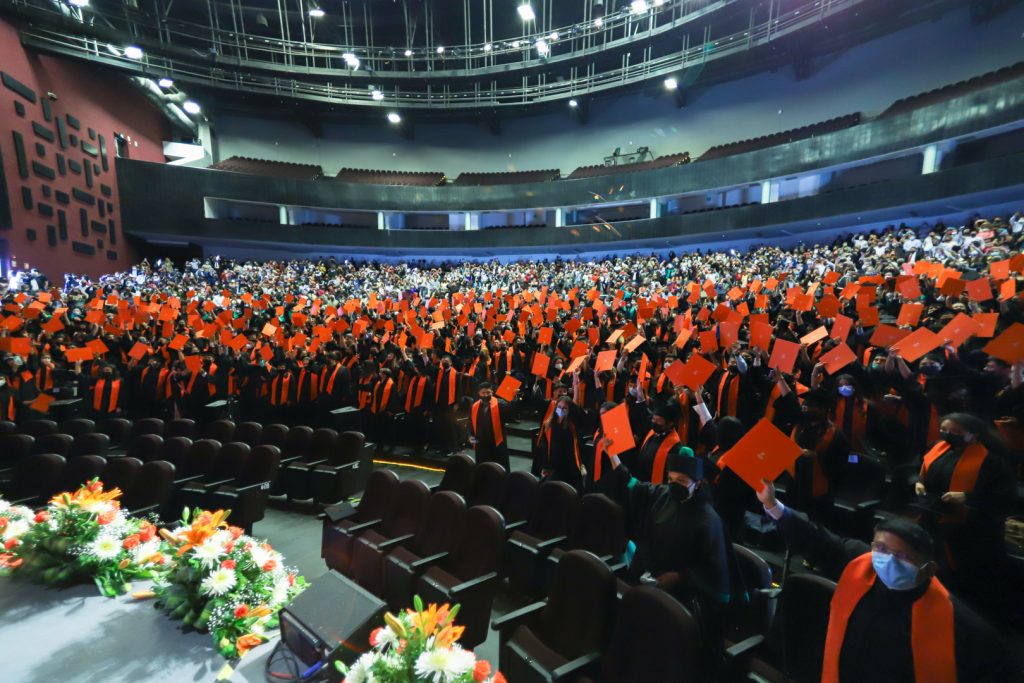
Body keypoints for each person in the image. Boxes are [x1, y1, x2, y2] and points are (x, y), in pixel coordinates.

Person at [756, 480, 1020, 683]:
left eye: (903, 555)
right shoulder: (862, 564)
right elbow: (818, 540)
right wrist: (772, 505)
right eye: (881, 549)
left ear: (929, 569)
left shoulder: (959, 623)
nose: (888, 560)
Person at [914, 412, 1017, 623]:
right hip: (934, 520)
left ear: (974, 434)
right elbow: (921, 469)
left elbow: (1005, 498)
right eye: (944, 430)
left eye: (956, 432)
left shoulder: (991, 460)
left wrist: (967, 497)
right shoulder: (938, 448)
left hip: (972, 532)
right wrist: (918, 481)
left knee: (966, 582)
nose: (948, 435)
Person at [468, 382, 509, 470]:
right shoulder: (474, 406)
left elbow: (510, 412)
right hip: (481, 442)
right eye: (483, 393)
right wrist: (472, 438)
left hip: (497, 441)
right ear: (479, 393)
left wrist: (513, 398)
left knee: (499, 467)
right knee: (482, 467)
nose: (486, 395)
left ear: (492, 392)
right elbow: (471, 424)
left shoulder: (500, 404)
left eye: (488, 392)